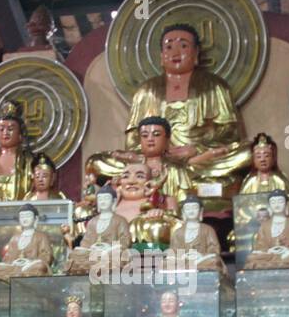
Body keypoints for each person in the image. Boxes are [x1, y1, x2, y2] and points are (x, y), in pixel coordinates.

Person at [87, 23, 250, 208]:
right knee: (96, 162)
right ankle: (177, 188)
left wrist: (197, 148)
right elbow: (133, 142)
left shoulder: (215, 87)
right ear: (161, 56)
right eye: (169, 46)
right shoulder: (146, 92)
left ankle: (163, 188)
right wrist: (152, 155)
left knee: (249, 153)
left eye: (183, 45)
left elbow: (231, 135)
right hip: (151, 164)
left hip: (198, 163)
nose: (175, 51)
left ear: (196, 54)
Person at [65, 186, 131, 276]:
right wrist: (92, 248)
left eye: (106, 198)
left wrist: (108, 248)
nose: (103, 201)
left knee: (124, 255)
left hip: (111, 253)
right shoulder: (92, 221)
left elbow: (125, 241)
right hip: (93, 254)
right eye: (100, 199)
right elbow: (86, 242)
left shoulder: (120, 220)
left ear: (114, 201)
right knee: (75, 255)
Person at [245, 190, 289, 269]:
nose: (277, 205)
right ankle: (280, 262)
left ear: (286, 205)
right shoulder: (264, 225)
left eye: (280, 201)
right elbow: (260, 245)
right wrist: (270, 250)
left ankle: (279, 261)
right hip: (270, 255)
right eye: (273, 202)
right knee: (251, 257)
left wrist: (287, 250)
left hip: (288, 254)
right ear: (269, 206)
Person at [0, 203, 53, 279]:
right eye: (22, 216)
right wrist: (15, 262)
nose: (25, 219)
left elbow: (46, 256)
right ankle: (19, 273)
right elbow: (8, 257)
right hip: (15, 267)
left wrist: (29, 262)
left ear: (35, 219)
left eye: (28, 216)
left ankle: (20, 273)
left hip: (30, 267)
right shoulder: (15, 237)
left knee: (40, 266)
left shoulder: (41, 236)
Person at [168, 195, 225, 274]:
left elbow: (214, 249)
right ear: (183, 212)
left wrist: (201, 255)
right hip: (183, 261)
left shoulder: (208, 229)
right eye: (188, 208)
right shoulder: (178, 232)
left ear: (201, 211)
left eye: (194, 208)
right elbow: (173, 251)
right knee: (166, 262)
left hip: (201, 260)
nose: (191, 211)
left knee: (214, 261)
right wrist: (183, 256)